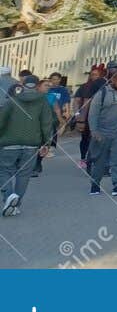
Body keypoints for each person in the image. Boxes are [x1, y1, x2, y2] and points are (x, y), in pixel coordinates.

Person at [0, 75, 53, 216]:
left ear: (22, 84)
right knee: (23, 175)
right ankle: (15, 205)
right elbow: (47, 123)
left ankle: (9, 196)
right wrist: (46, 143)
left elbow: (1, 121)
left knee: (3, 172)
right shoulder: (43, 101)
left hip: (8, 143)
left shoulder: (12, 99)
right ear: (37, 86)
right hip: (31, 144)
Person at [72, 64, 107, 170]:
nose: (93, 77)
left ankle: (94, 161)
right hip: (86, 117)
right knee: (85, 139)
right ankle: (84, 159)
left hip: (102, 117)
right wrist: (78, 116)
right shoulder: (84, 87)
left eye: (96, 75)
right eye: (92, 75)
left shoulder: (105, 86)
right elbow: (77, 102)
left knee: (98, 140)